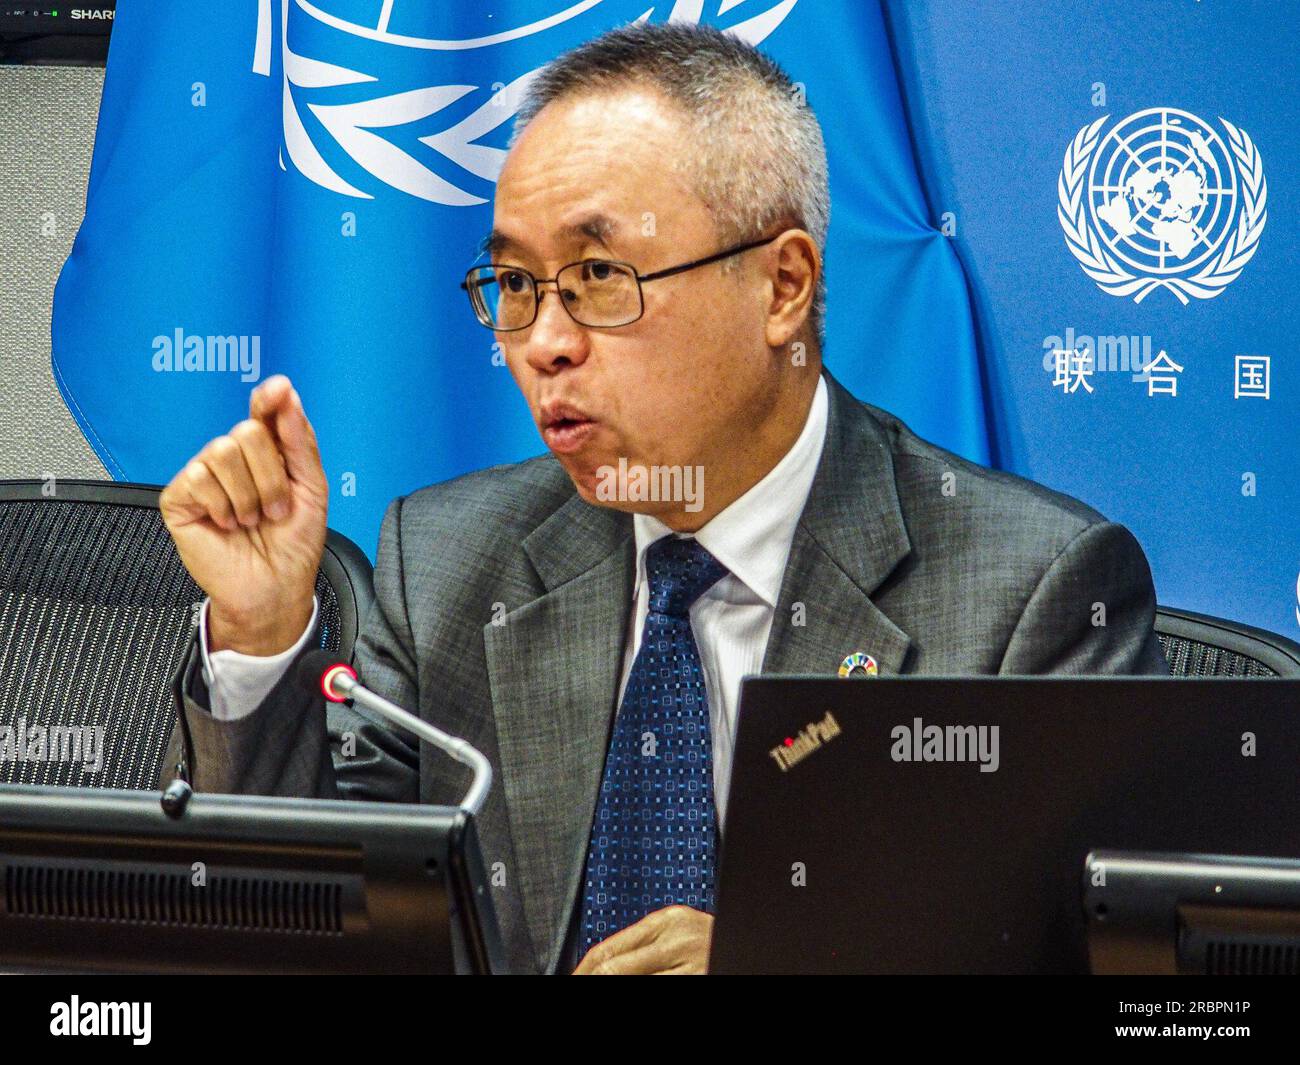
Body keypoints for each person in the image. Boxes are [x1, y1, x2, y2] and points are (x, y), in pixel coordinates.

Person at [158, 22, 1168, 975]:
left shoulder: (1025, 599)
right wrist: (259, 635)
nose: (544, 340)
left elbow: (1124, 984)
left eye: (599, 274)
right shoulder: (454, 561)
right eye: (513, 284)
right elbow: (313, 925)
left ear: (781, 289)